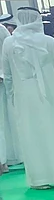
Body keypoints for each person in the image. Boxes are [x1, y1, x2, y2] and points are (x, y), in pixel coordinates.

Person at [0, 7, 54, 189]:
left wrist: (13, 95)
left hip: (24, 98)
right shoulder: (49, 41)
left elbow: (8, 74)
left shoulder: (9, 43)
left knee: (32, 134)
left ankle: (40, 179)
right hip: (52, 95)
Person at [0, 14, 17, 172]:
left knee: (4, 120)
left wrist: (4, 75)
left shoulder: (2, 31)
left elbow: (8, 56)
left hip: (2, 82)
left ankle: (4, 160)